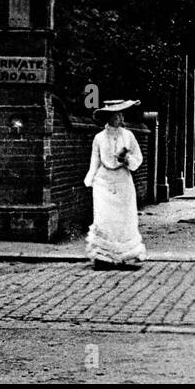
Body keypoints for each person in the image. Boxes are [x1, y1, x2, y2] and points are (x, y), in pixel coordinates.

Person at [84, 99, 146, 269]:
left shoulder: (128, 135)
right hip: (103, 182)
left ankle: (127, 255)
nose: (121, 118)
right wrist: (90, 179)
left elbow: (138, 158)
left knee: (125, 218)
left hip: (123, 180)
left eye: (121, 115)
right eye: (117, 115)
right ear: (109, 117)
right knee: (104, 218)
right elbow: (95, 161)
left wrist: (126, 159)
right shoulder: (99, 137)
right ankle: (104, 257)